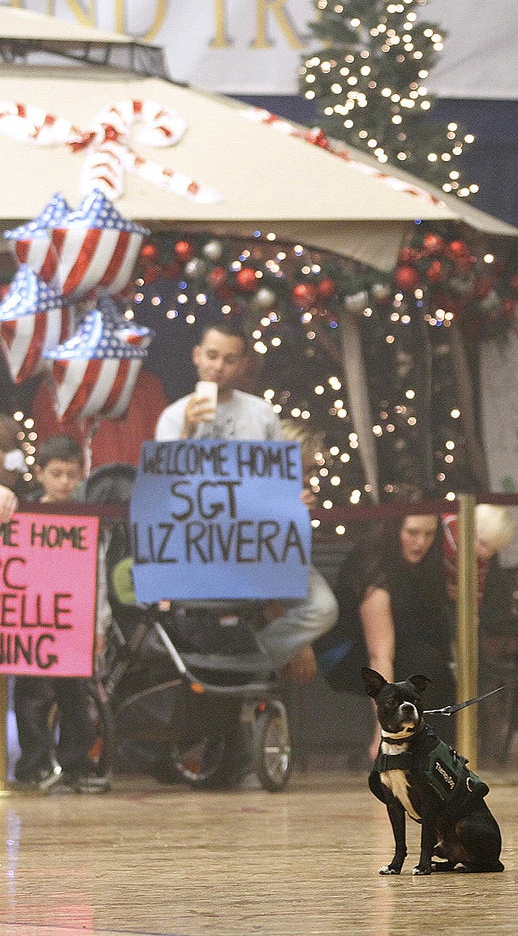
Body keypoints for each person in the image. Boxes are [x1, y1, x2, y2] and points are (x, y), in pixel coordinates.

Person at [155, 318, 337, 683]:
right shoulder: (173, 416)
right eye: (211, 356)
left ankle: (243, 659)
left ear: (242, 364)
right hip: (201, 549)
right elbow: (163, 493)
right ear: (196, 356)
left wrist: (294, 499)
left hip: (259, 545)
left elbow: (276, 482)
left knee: (323, 607)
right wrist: (188, 430)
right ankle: (230, 666)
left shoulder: (261, 413)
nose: (219, 367)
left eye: (230, 359)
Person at [11, 435, 108, 793]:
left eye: (71, 474)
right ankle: (33, 766)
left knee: (76, 700)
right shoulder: (20, 516)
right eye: (56, 474)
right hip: (32, 623)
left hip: (74, 624)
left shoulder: (86, 519)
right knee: (33, 698)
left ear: (82, 474)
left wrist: (100, 624)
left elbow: (97, 574)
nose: (65, 481)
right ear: (40, 474)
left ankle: (76, 765)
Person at [320, 512, 455, 749]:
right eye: (412, 533)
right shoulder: (376, 568)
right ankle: (412, 750)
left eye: (429, 534)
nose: (421, 542)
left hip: (400, 644)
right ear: (395, 531)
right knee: (427, 666)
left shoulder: (428, 564)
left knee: (435, 666)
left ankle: (434, 755)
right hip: (347, 652)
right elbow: (380, 654)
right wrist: (383, 731)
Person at [31, 366, 169, 470]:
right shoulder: (52, 391)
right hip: (79, 494)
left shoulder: (148, 386)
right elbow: (51, 457)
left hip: (138, 488)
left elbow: (163, 446)